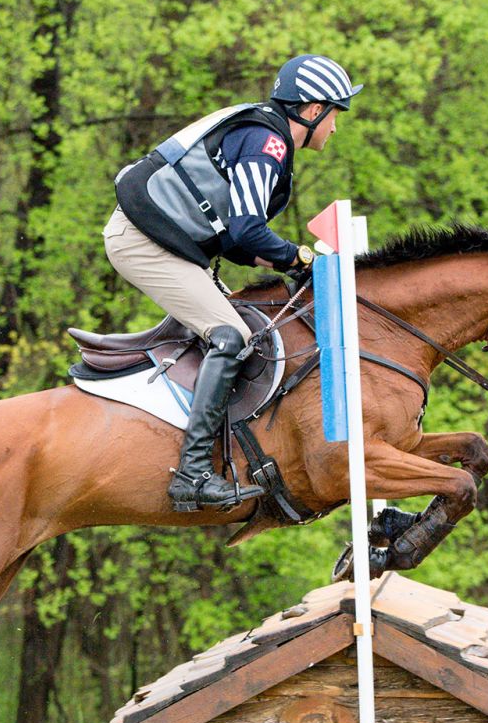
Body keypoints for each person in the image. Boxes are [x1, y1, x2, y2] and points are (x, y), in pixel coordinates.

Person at [105, 54, 361, 511]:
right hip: (142, 242)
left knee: (245, 327)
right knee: (232, 335)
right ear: (311, 109)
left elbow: (238, 245)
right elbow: (246, 232)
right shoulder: (266, 143)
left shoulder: (261, 135)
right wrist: (299, 256)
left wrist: (290, 265)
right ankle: (192, 473)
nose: (336, 127)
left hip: (163, 241)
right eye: (336, 113)